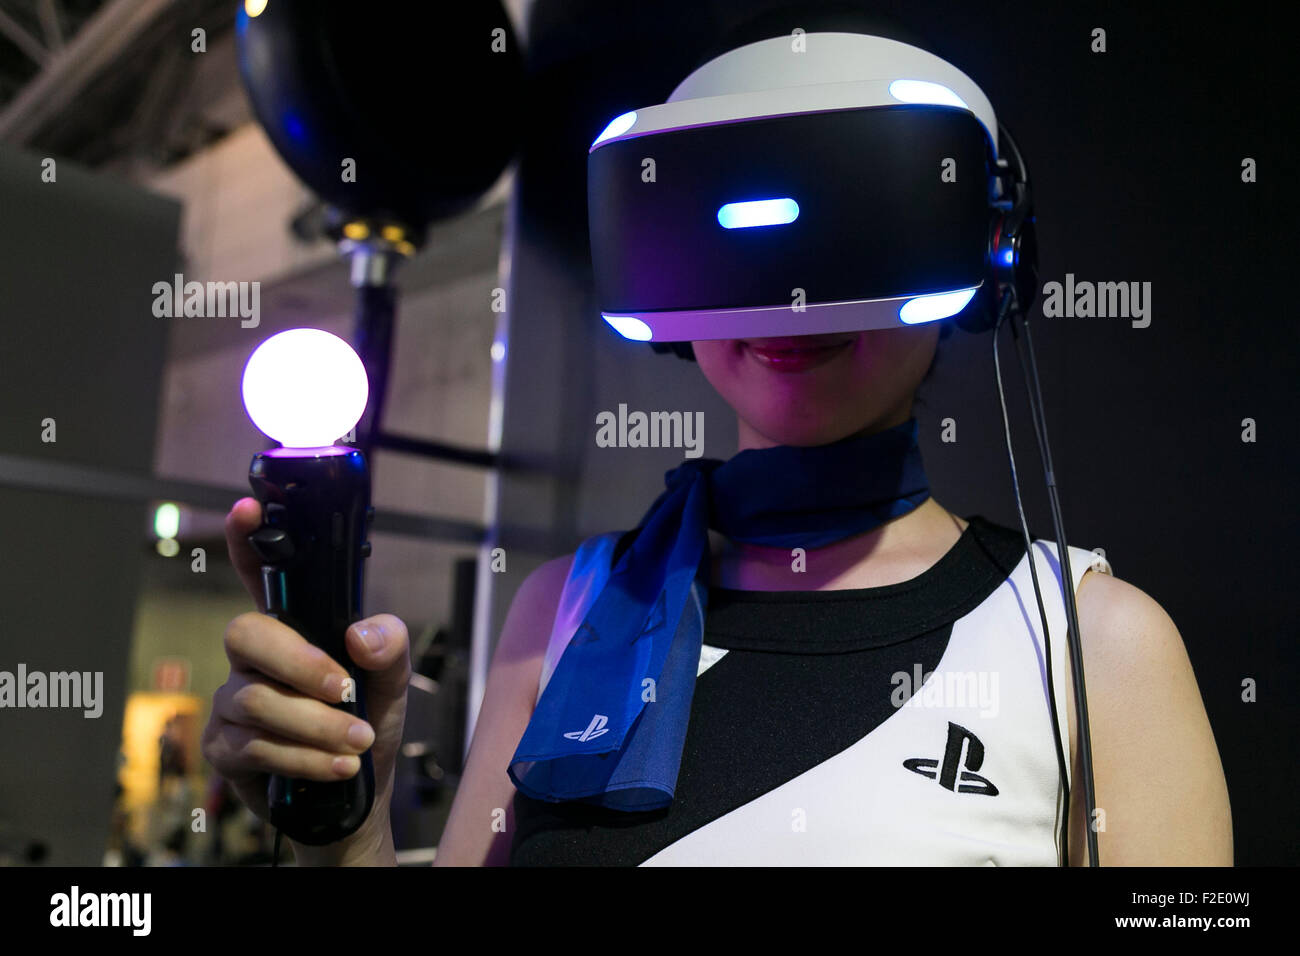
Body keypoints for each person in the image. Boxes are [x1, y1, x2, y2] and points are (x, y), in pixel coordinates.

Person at [203, 25, 1232, 867]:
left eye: (848, 220)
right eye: (728, 226)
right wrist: (342, 823)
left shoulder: (1092, 642)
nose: (786, 293)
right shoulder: (562, 611)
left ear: (988, 253)